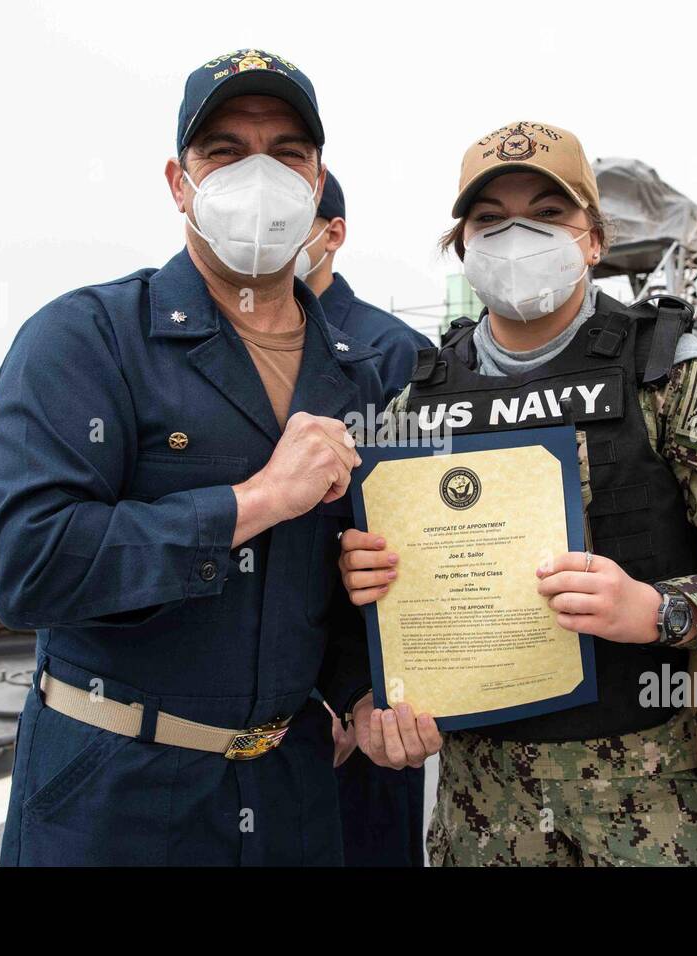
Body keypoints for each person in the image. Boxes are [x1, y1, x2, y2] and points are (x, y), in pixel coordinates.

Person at [338, 120, 697, 866]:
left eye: (547, 214)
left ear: (593, 239)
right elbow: (379, 606)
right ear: (463, 246)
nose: (516, 236)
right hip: (485, 815)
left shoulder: (674, 378)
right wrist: (369, 586)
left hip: (661, 807)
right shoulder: (419, 403)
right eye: (490, 220)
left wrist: (661, 610)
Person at [0, 48, 382, 866]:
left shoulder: (362, 369)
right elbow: (27, 565)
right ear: (179, 182)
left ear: (316, 183)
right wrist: (255, 501)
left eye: (287, 153)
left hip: (291, 786)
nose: (259, 174)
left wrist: (365, 684)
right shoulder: (85, 339)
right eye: (226, 152)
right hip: (113, 791)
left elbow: (348, 579)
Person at [295, 171, 431, 867]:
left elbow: (425, 539)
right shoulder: (229, 347)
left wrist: (359, 690)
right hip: (264, 694)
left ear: (333, 233)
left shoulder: (397, 355)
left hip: (367, 690)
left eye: (293, 211)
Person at [297, 172, 434, 397]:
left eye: (291, 221)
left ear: (333, 234)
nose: (268, 237)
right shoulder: (231, 336)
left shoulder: (392, 347)